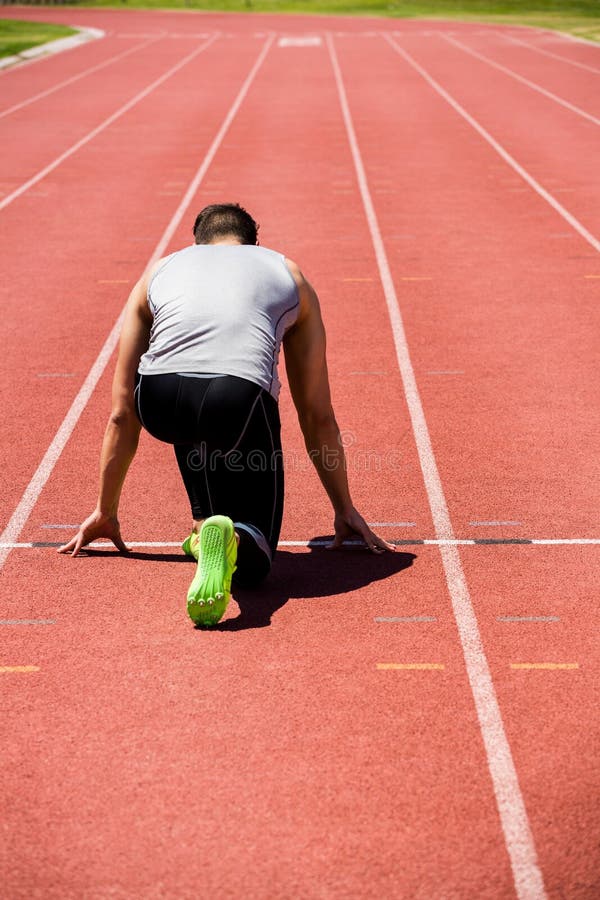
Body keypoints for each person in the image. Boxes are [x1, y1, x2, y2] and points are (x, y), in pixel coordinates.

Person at [59, 203, 394, 625]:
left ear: (197, 241)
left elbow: (122, 412)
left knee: (187, 402)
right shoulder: (287, 272)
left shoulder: (159, 271)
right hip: (235, 401)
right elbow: (316, 413)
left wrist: (106, 509)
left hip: (159, 402)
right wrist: (343, 506)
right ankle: (233, 536)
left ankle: (203, 528)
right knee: (256, 562)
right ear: (255, 240)